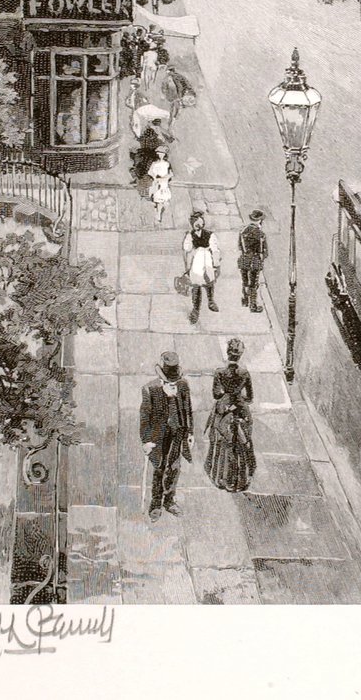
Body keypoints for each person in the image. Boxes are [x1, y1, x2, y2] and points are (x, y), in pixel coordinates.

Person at [140, 350, 194, 520]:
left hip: (178, 433)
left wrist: (190, 432)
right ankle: (156, 504)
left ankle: (169, 500)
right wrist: (146, 441)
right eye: (170, 382)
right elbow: (144, 417)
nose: (173, 385)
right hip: (159, 436)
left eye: (175, 381)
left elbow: (188, 409)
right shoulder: (150, 389)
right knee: (159, 468)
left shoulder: (183, 386)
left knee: (175, 468)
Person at [204, 338, 256, 493]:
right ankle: (240, 479)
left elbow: (216, 394)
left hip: (224, 407)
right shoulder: (244, 373)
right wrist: (239, 400)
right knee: (241, 443)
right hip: (240, 408)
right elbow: (250, 397)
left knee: (222, 442)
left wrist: (227, 400)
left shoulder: (219, 372)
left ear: (228, 353)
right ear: (240, 355)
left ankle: (221, 476)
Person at [183, 210, 222, 319]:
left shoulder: (210, 235)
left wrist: (217, 264)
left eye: (199, 223)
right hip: (197, 261)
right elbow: (187, 249)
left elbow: (215, 250)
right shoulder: (190, 235)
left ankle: (210, 301)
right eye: (194, 223)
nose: (197, 226)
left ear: (202, 223)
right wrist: (187, 267)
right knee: (196, 285)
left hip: (207, 260)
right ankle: (196, 309)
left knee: (209, 282)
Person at [238, 209, 268, 312]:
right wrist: (263, 257)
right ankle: (253, 305)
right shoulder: (260, 234)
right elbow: (262, 251)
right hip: (254, 261)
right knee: (253, 283)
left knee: (245, 281)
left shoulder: (243, 231)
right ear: (259, 220)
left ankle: (245, 300)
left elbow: (240, 246)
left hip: (244, 259)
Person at [147, 146, 173, 225]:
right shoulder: (154, 163)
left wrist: (165, 178)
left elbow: (171, 174)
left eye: (162, 154)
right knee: (157, 200)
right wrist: (155, 177)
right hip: (157, 183)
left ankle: (159, 215)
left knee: (164, 201)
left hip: (164, 183)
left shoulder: (167, 164)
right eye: (159, 153)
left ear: (165, 154)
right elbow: (150, 172)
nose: (160, 155)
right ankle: (157, 216)